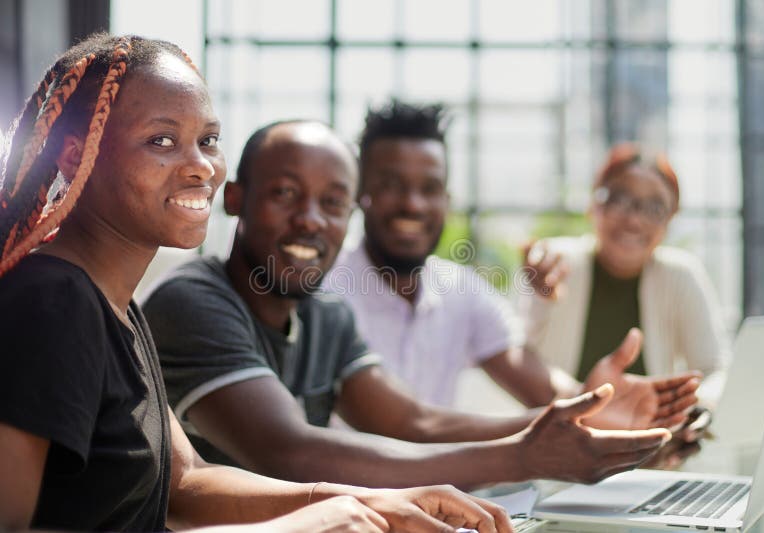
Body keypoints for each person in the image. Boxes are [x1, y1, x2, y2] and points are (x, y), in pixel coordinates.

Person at [0, 33, 515, 533]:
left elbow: (187, 483)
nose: (201, 166)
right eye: (162, 140)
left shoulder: (119, 306)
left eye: (208, 141)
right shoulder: (53, 301)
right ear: (73, 157)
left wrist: (371, 503)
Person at [142, 118, 696, 492]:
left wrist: (574, 420)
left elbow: (415, 420)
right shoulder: (193, 302)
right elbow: (290, 452)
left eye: (331, 202)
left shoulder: (323, 315)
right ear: (234, 200)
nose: (311, 219)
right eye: (286, 194)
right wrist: (524, 455)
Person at [324, 100, 700, 417]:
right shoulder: (322, 292)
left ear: (448, 200)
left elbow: (537, 381)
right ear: (360, 193)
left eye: (430, 188)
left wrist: (602, 404)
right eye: (391, 186)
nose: (412, 204)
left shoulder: (461, 292)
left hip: (438, 498)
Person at [519, 143, 730, 408]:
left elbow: (715, 370)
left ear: (669, 220)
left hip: (653, 442)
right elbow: (522, 353)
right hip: (563, 435)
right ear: (594, 204)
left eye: (654, 208)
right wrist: (542, 296)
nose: (634, 220)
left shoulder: (681, 275)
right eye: (619, 199)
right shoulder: (558, 264)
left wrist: (683, 407)